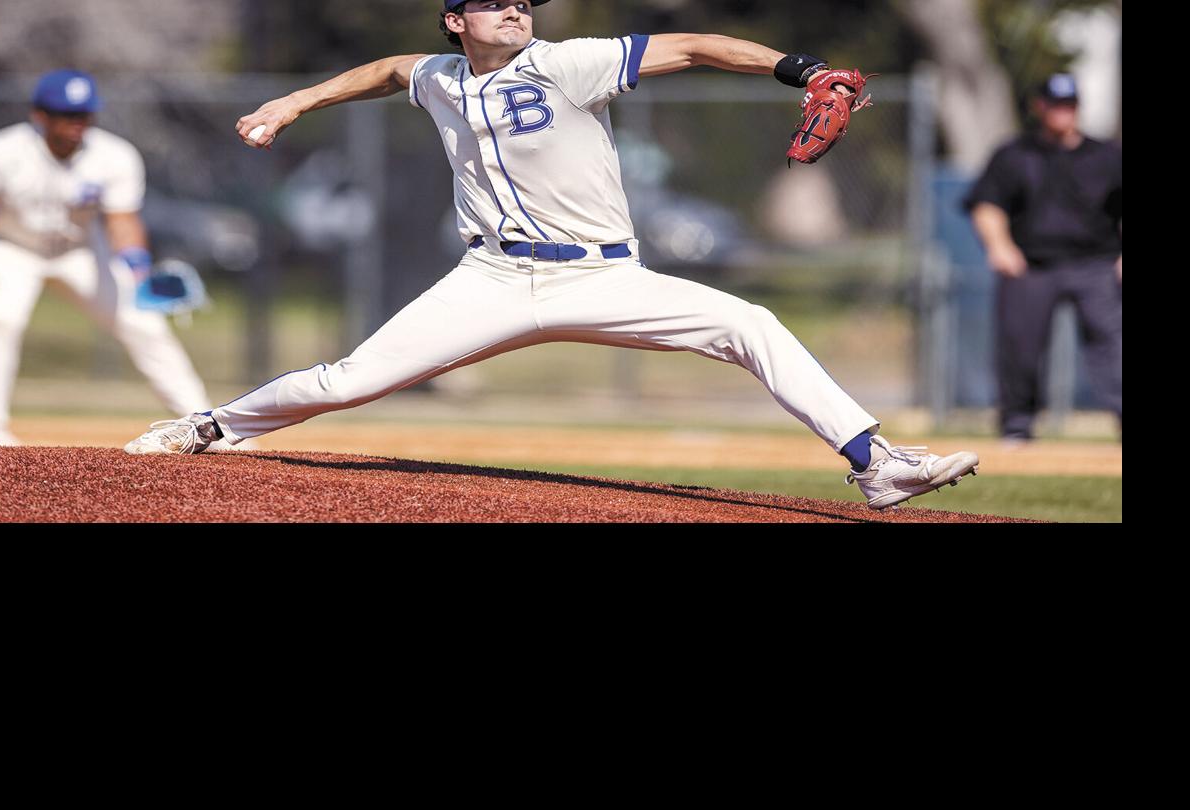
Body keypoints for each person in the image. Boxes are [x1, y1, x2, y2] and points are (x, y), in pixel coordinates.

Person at [123, 0, 978, 510]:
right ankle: (209, 426)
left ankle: (877, 467)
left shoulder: (570, 62)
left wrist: (801, 68)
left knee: (750, 323)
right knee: (349, 381)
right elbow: (387, 70)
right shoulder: (441, 76)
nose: (516, 12)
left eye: (524, 2)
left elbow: (694, 47)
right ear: (456, 21)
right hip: (492, 276)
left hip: (602, 274)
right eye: (495, 3)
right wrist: (294, 102)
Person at [0, 69, 211, 446]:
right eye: (67, 114)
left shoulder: (113, 154)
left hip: (79, 250)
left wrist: (137, 268)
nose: (77, 123)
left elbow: (122, 219)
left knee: (144, 324)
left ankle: (207, 425)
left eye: (84, 114)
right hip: (8, 247)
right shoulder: (0, 150)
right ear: (40, 115)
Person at [965, 73, 1122, 443]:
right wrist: (999, 246)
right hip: (1032, 265)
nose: (1062, 112)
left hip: (1095, 264)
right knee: (1020, 348)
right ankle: (1017, 427)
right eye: (1055, 105)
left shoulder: (1107, 156)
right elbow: (987, 204)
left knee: (1114, 346)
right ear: (1040, 106)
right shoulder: (1014, 154)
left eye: (1069, 105)